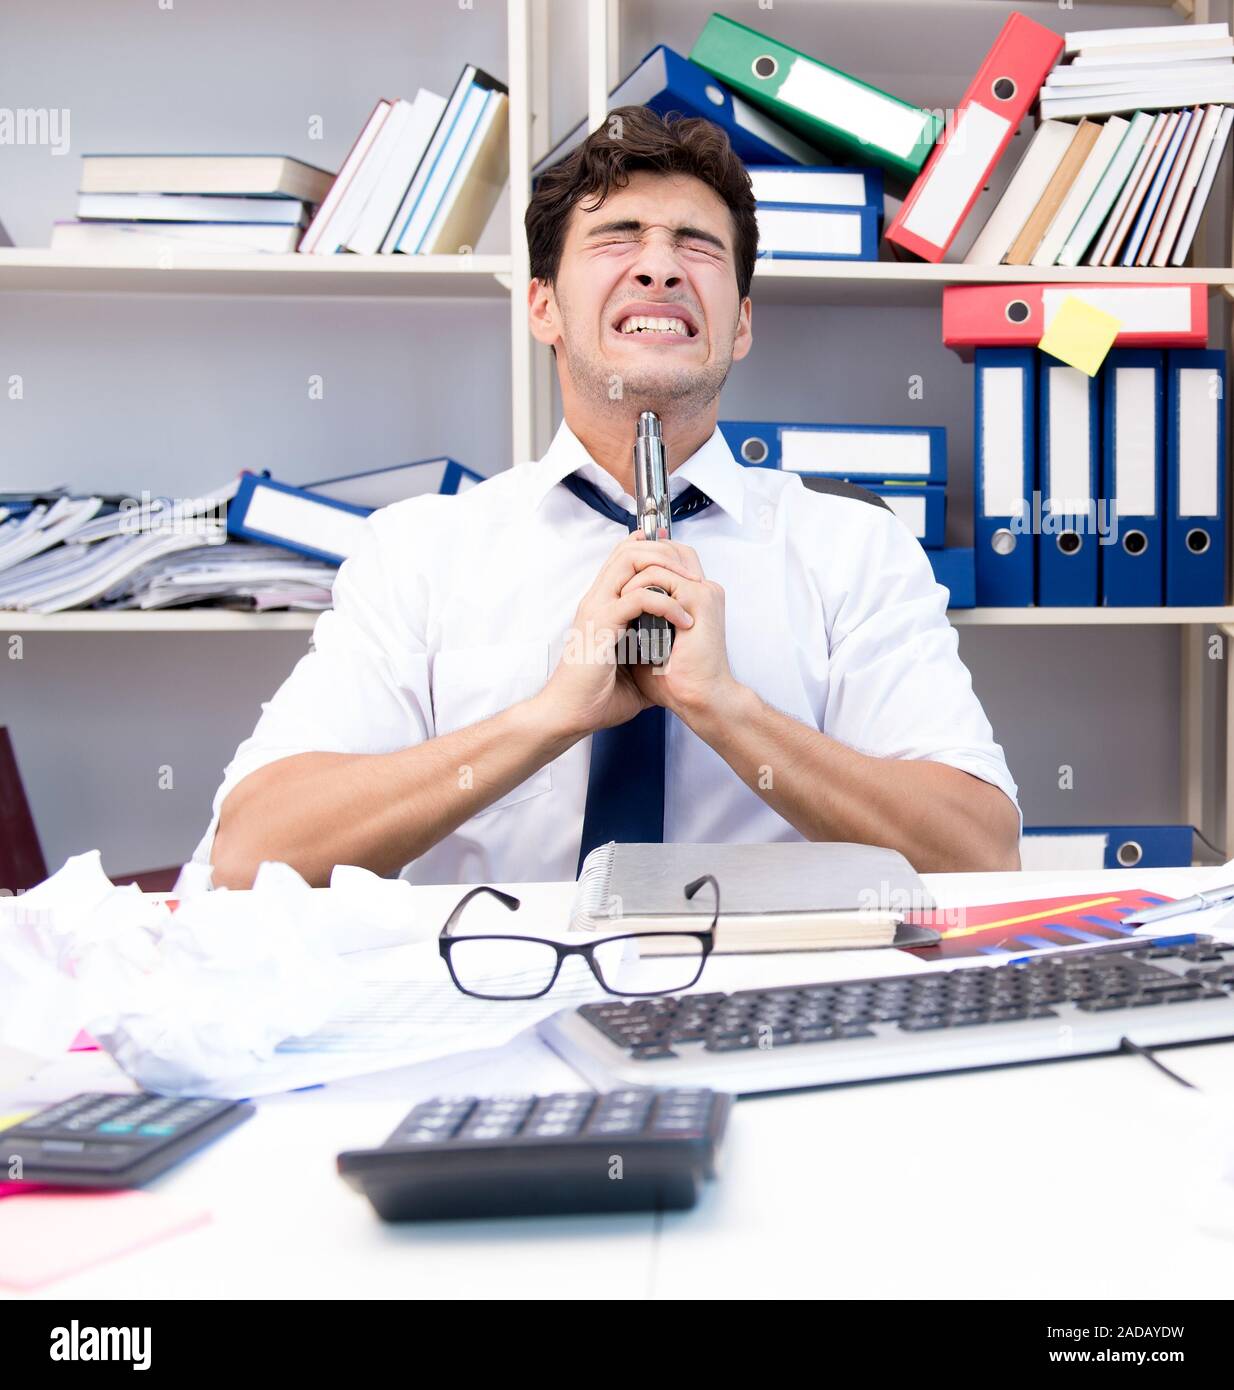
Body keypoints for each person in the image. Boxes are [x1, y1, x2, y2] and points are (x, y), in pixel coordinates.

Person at [199, 106, 1020, 889]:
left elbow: (981, 855)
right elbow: (253, 852)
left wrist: (729, 710)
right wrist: (551, 715)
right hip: (493, 1004)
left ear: (739, 324)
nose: (660, 264)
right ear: (543, 306)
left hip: (768, 1012)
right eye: (617, 236)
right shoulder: (417, 552)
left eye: (696, 245)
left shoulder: (855, 551)